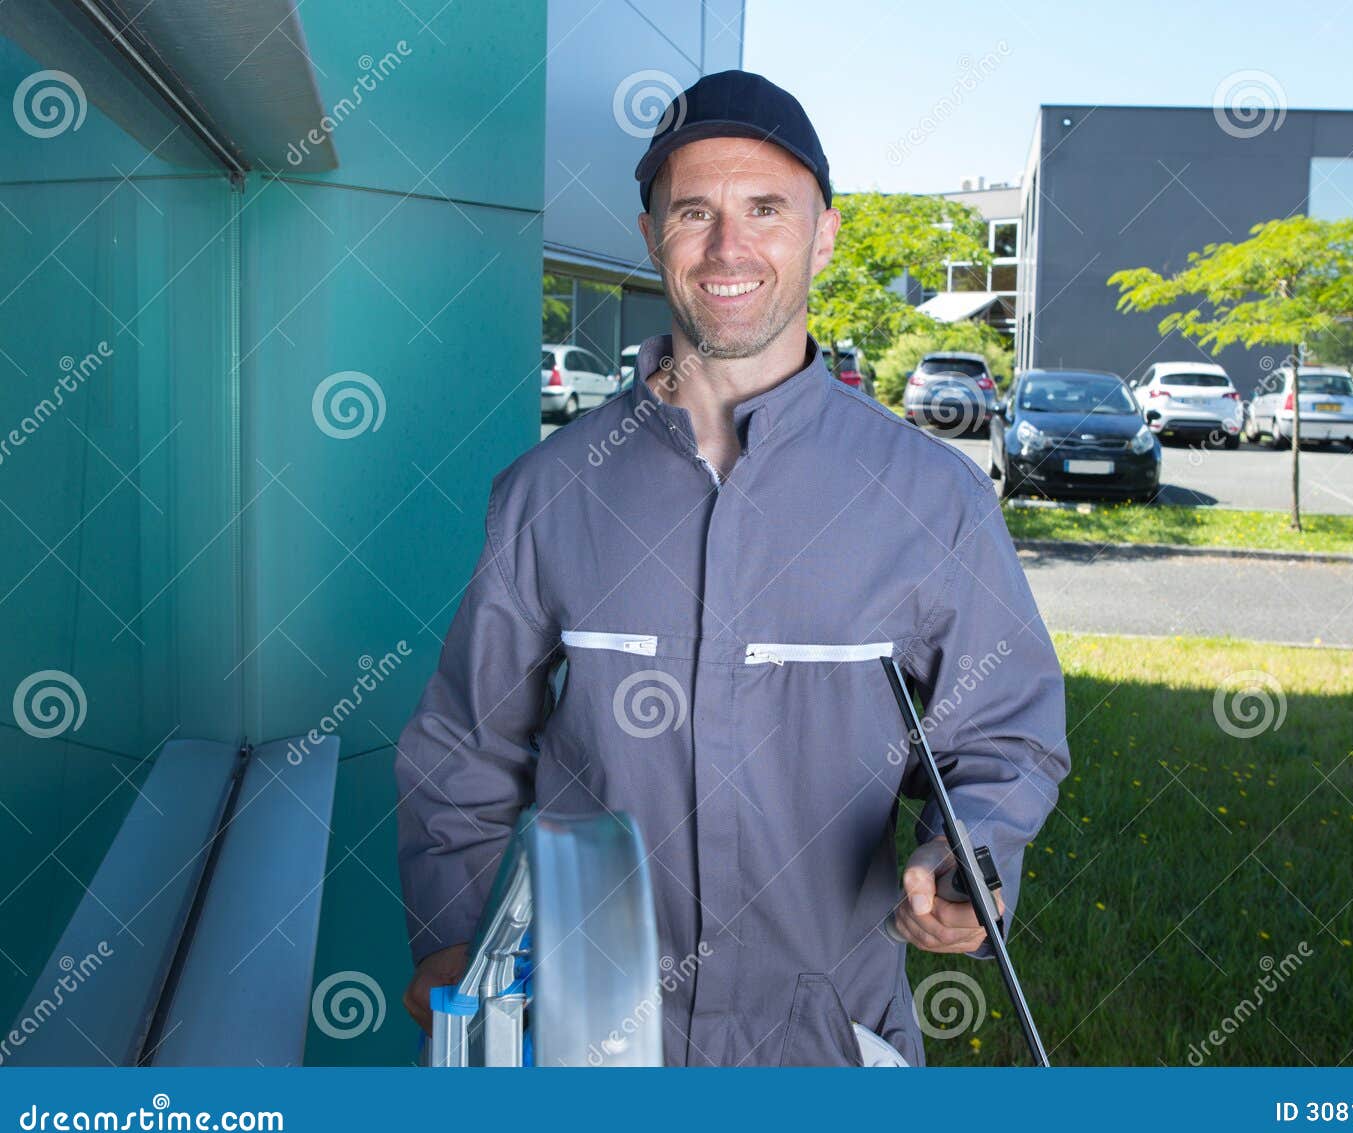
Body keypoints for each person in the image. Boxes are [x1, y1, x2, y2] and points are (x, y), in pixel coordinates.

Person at [394, 69, 1070, 1066]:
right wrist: (451, 934)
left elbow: (1005, 732)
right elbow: (465, 742)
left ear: (824, 232)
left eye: (765, 209)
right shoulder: (547, 493)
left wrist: (970, 854)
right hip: (593, 1045)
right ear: (649, 235)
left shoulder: (930, 499)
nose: (728, 247)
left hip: (828, 1039)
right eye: (693, 213)